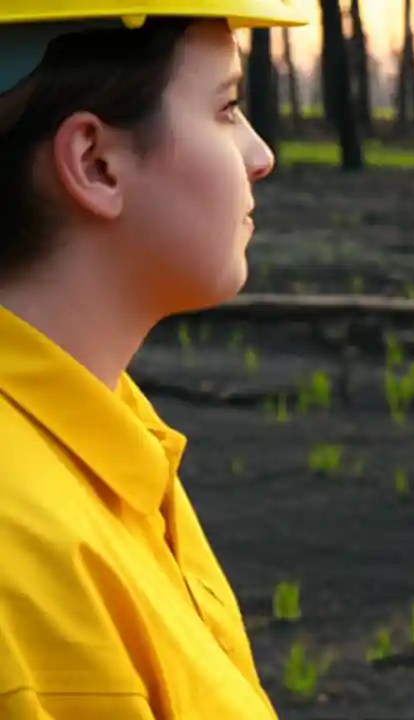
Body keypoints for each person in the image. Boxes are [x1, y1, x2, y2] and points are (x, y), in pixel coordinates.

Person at [0, 3, 310, 717]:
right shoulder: (29, 564)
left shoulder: (109, 440)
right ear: (96, 163)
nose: (261, 157)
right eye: (227, 108)